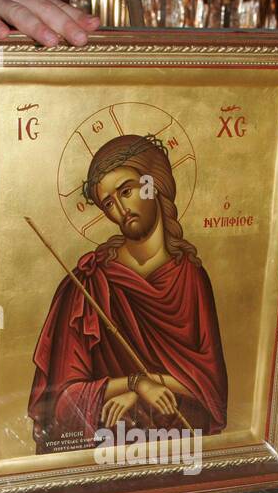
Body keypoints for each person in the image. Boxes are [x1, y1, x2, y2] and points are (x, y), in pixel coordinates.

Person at [28, 133, 228, 453]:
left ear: (155, 183)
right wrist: (136, 383)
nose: (120, 209)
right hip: (105, 450)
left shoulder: (192, 278)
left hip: (174, 452)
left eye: (126, 191)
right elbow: (62, 403)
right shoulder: (90, 283)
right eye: (108, 202)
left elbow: (211, 392)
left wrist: (143, 389)